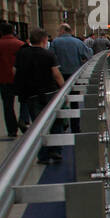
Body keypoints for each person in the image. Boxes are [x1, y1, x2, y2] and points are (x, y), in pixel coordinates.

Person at [14, 29, 65, 163]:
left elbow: (15, 71)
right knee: (55, 121)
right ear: (44, 40)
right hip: (49, 93)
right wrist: (64, 88)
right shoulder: (48, 54)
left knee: (37, 125)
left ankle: (42, 155)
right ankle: (55, 150)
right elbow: (56, 74)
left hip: (31, 94)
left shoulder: (22, 54)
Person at [0, 27, 25, 138]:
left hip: (4, 79)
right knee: (25, 101)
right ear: (13, 32)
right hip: (20, 79)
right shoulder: (20, 44)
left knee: (8, 105)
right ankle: (23, 120)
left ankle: (12, 130)